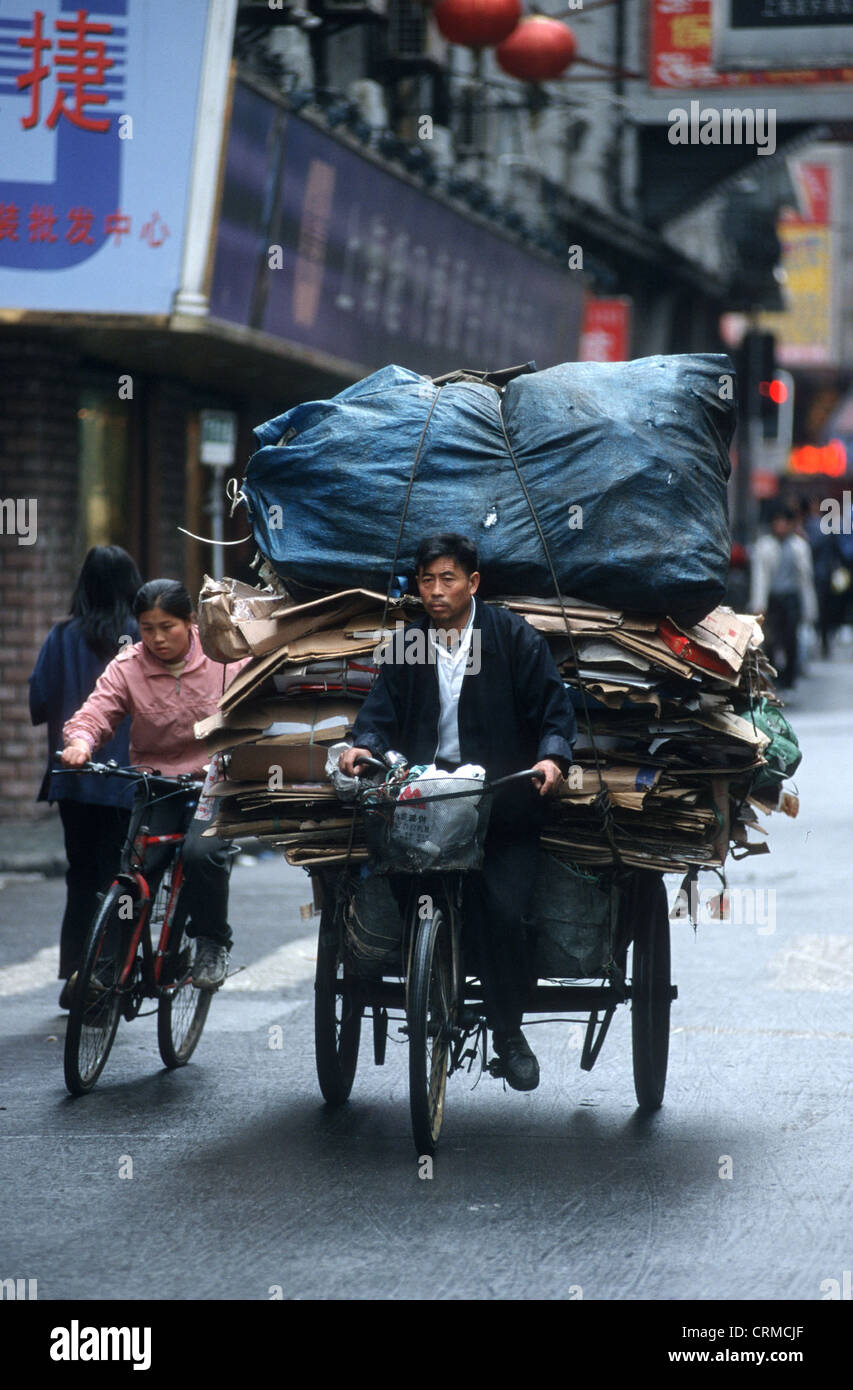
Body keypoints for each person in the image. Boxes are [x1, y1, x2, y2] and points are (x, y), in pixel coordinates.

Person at [339, 533, 577, 1092]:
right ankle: (434, 974)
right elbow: (377, 713)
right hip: (426, 806)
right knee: (407, 886)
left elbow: (553, 710)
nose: (437, 591)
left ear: (473, 583)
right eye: (427, 580)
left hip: (503, 809)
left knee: (504, 910)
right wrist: (362, 746)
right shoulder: (409, 643)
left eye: (449, 579)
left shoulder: (511, 637)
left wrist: (551, 758)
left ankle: (509, 1032)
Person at [60, 579, 249, 991]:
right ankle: (111, 961)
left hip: (213, 783)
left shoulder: (224, 658)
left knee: (202, 855)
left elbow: (259, 703)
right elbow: (96, 711)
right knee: (135, 872)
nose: (158, 638)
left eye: (168, 627)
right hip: (156, 782)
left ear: (191, 622)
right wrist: (80, 743)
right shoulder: (129, 666)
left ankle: (211, 942)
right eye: (148, 628)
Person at [29, 546, 143, 1009]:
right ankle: (108, 972)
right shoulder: (140, 638)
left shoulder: (61, 636)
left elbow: (39, 705)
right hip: (126, 781)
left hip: (73, 778)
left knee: (81, 877)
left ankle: (75, 973)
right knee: (119, 877)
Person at [749, 504, 818, 689]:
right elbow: (759, 578)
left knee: (791, 639)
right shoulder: (764, 546)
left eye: (784, 522)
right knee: (770, 639)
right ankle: (772, 676)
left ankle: (789, 677)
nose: (780, 526)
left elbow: (806, 579)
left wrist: (809, 607)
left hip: (791, 598)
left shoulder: (799, 546)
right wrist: (758, 604)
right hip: (773, 599)